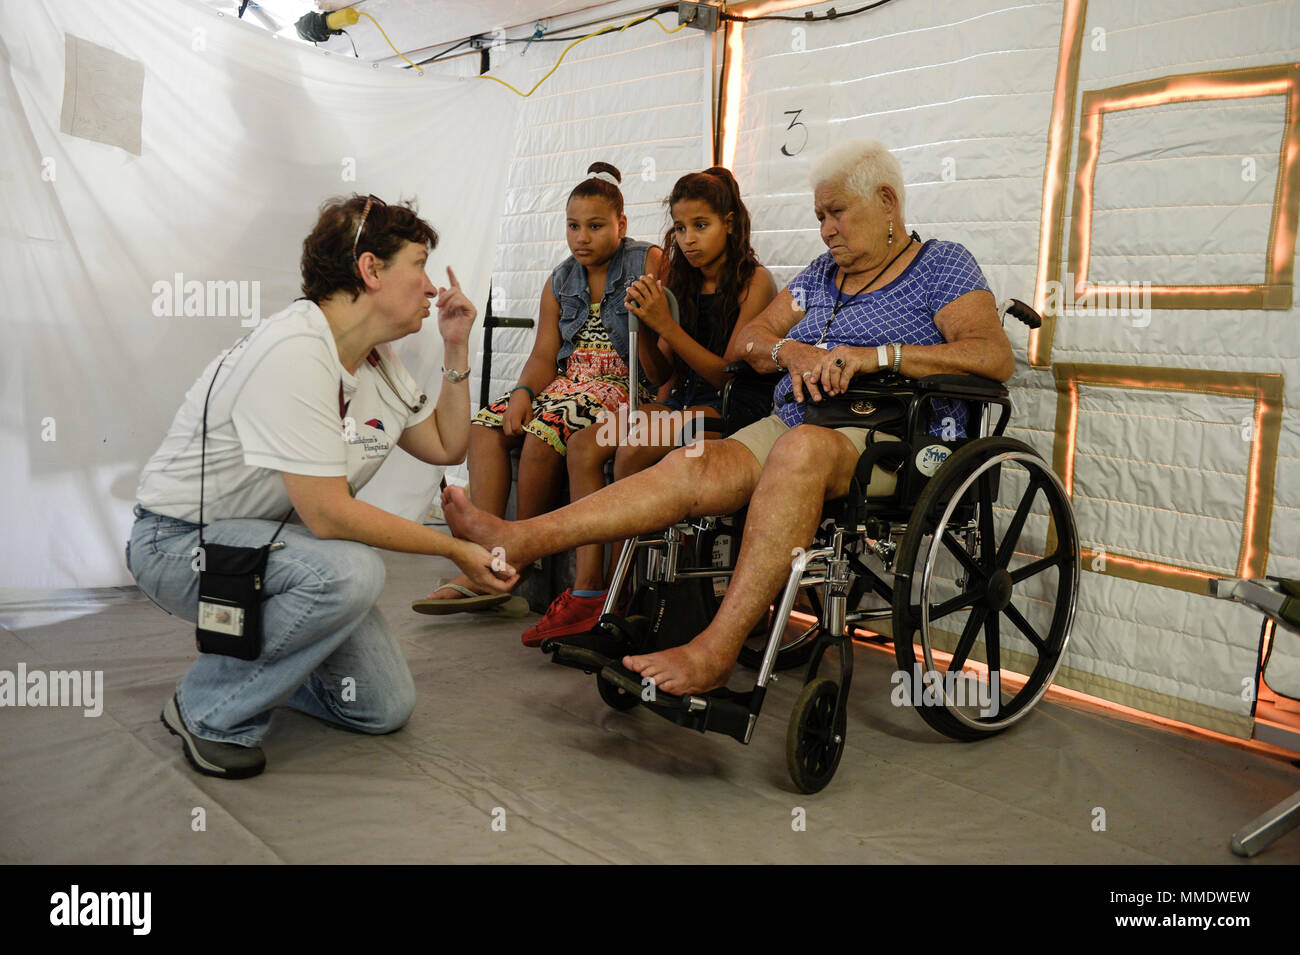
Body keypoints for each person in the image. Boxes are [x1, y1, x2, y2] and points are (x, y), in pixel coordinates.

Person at [439, 139, 1015, 696]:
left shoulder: (941, 266)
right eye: (820, 216)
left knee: (798, 448)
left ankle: (715, 650)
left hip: (892, 437)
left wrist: (879, 356)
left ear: (887, 202)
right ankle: (520, 538)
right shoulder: (820, 276)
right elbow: (751, 340)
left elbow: (993, 356)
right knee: (695, 462)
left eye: (837, 213)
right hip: (795, 422)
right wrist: (793, 352)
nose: (826, 229)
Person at [126, 194, 516, 779]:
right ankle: (205, 710)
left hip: (273, 545)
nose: (433, 288)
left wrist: (457, 345)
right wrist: (454, 548)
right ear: (371, 269)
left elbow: (445, 445)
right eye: (419, 264)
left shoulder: (376, 360)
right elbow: (329, 518)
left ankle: (261, 677)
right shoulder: (294, 350)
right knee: (350, 570)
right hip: (177, 544)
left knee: (380, 706)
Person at [522, 167, 777, 644]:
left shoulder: (754, 283)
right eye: (680, 228)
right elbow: (661, 375)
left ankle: (623, 598)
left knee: (634, 449)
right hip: (679, 406)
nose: (689, 239)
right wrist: (640, 326)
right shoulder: (679, 281)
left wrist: (670, 326)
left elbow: (726, 372)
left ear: (730, 223)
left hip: (729, 412)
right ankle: (587, 590)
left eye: (701, 225)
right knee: (582, 445)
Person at [414, 162, 670, 614]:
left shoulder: (645, 259)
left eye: (595, 226)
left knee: (542, 432)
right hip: (570, 383)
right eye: (573, 226)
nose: (582, 238)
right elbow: (543, 355)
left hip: (622, 385)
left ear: (621, 224)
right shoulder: (559, 279)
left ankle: (520, 555)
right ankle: (483, 556)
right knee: (486, 426)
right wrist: (522, 394)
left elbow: (663, 341)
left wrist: (545, 406)